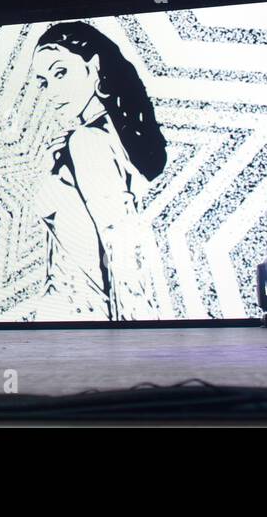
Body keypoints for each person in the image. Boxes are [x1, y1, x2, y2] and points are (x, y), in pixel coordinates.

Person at [30, 22, 167, 321]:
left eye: (60, 72)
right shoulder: (105, 135)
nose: (51, 91)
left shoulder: (88, 141)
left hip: (77, 319)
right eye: (43, 82)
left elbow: (120, 243)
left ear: (94, 67)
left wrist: (140, 333)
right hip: (79, 320)